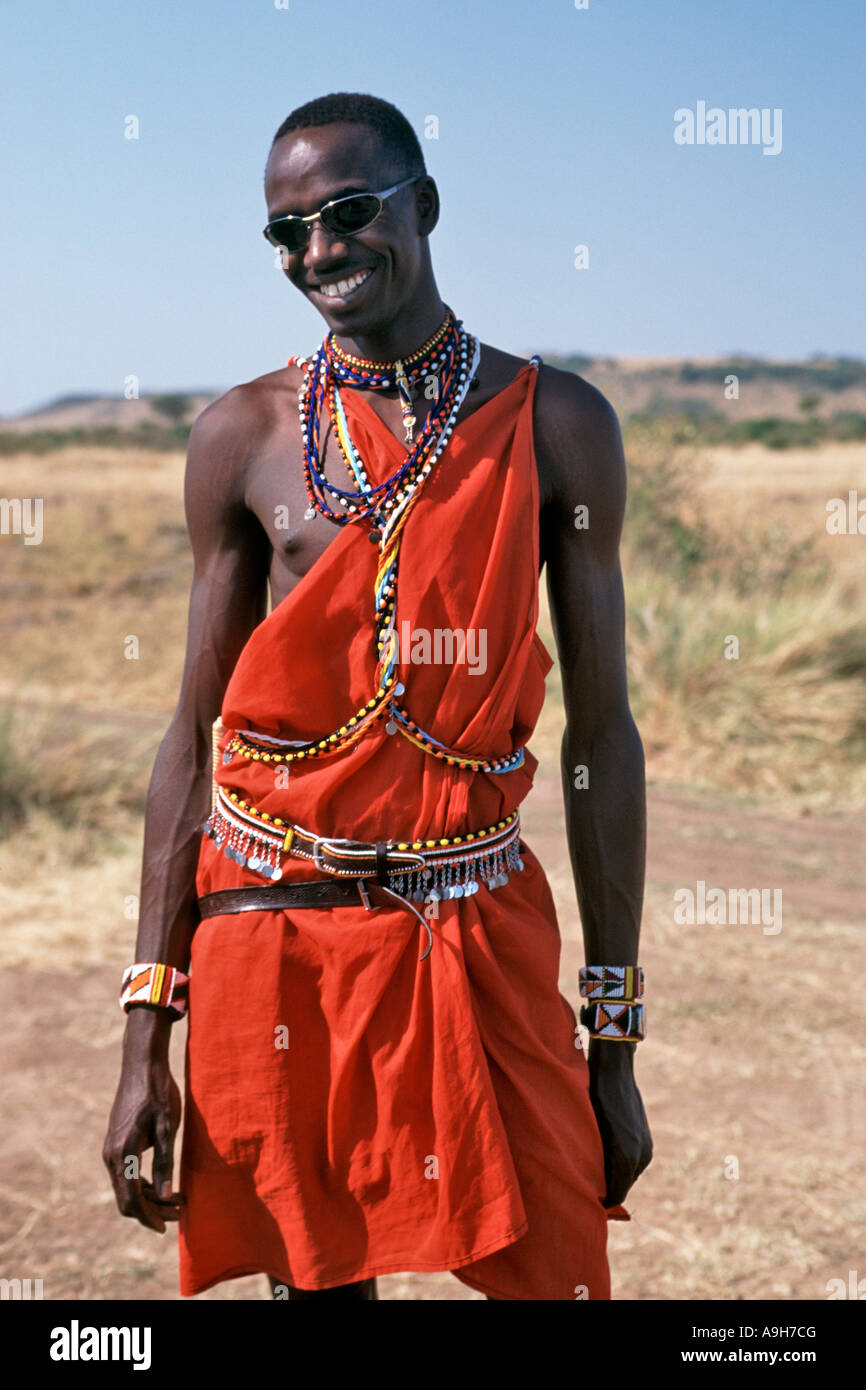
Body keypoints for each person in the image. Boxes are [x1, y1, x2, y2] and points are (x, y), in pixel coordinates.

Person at [103, 91, 652, 1302]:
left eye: (346, 213)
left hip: (475, 919)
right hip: (275, 929)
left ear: (427, 205)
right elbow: (192, 743)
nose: (316, 253)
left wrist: (611, 1038)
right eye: (285, 232)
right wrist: (146, 1031)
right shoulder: (241, 435)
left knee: (553, 1264)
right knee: (314, 1280)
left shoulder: (555, 424)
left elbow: (602, 739)